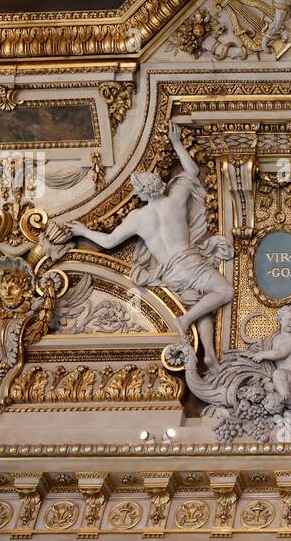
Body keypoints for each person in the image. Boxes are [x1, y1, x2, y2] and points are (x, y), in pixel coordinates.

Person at [68, 123, 233, 363]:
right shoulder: (175, 201)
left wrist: (84, 231)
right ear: (161, 185)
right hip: (189, 263)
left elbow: (109, 240)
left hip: (170, 274)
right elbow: (192, 171)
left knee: (201, 303)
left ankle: (209, 354)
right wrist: (177, 143)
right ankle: (185, 321)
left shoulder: (138, 218)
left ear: (140, 194)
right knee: (224, 291)